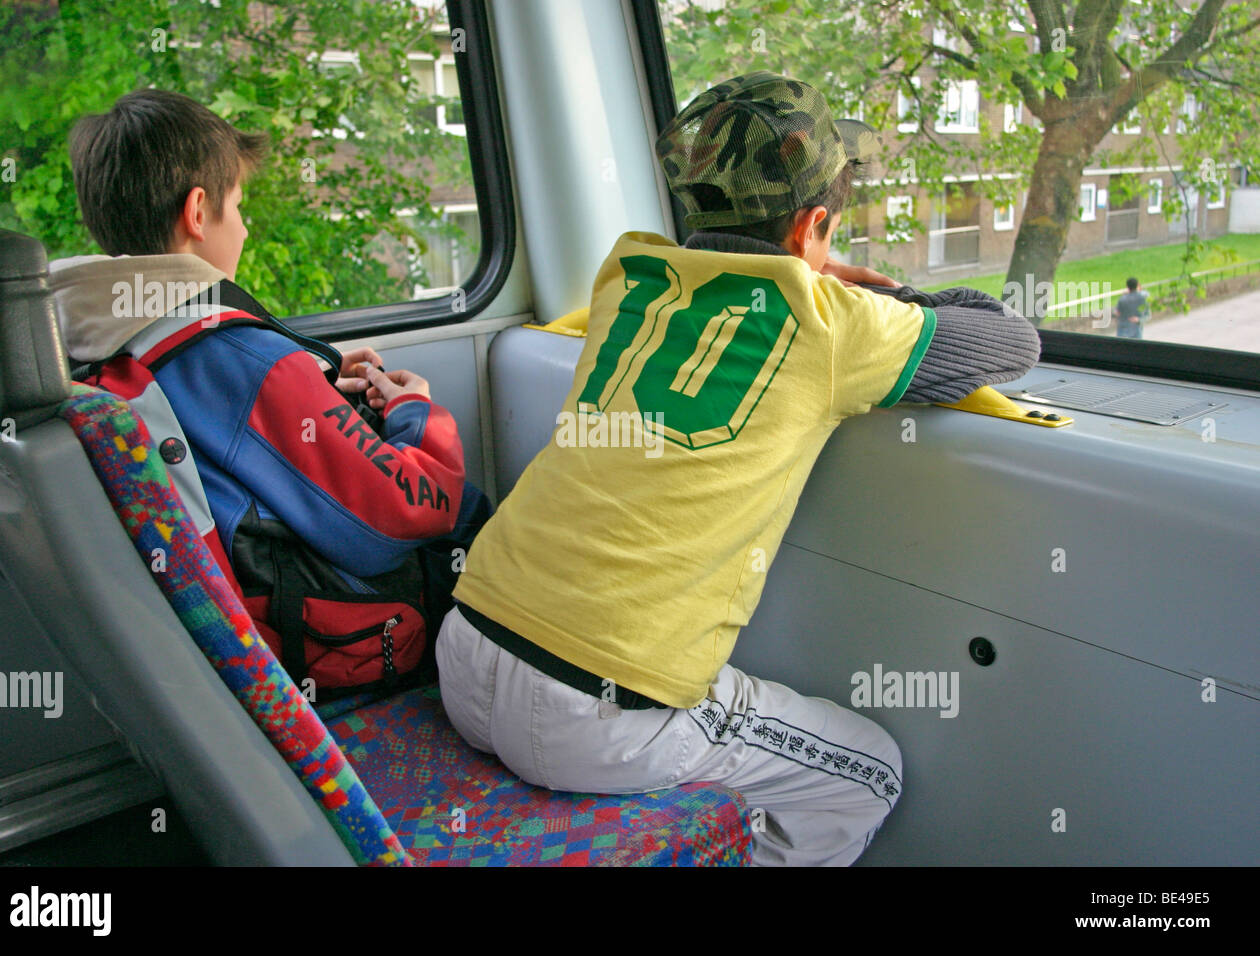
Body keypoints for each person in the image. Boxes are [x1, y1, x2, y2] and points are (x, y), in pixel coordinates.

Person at [434, 72, 1039, 865]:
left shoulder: (628, 276)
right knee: (867, 776)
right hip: (597, 714)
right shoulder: (831, 324)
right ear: (814, 225)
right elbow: (1010, 339)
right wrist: (883, 294)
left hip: (466, 646)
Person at [53, 89, 489, 696]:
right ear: (198, 212)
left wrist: (312, 392)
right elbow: (413, 512)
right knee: (475, 518)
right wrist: (416, 412)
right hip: (335, 649)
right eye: (239, 205)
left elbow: (215, 423)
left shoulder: (90, 344)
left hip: (213, 656)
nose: (247, 226)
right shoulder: (247, 361)